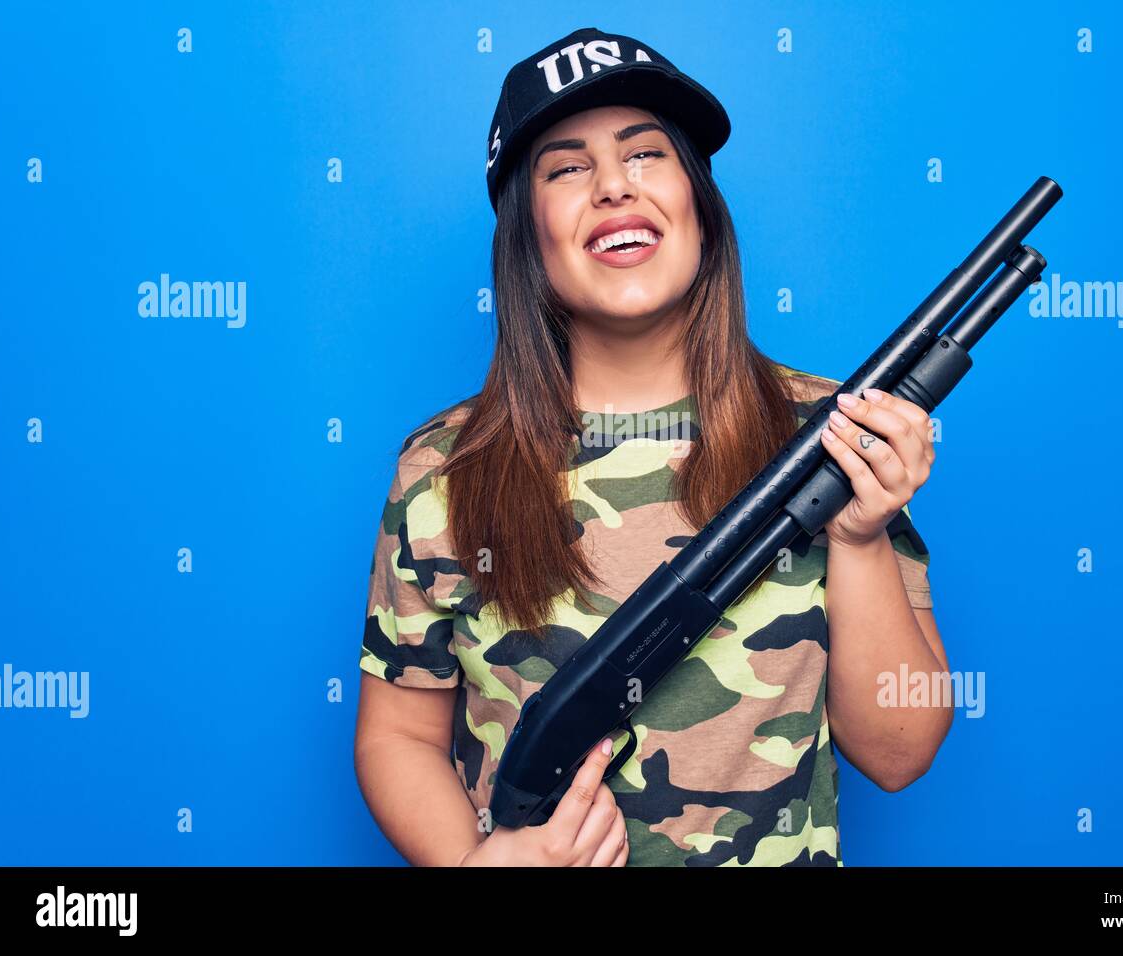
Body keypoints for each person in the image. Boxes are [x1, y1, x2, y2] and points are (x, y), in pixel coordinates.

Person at [354, 26, 952, 867]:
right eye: (567, 169)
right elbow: (398, 737)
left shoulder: (832, 433)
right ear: (526, 236)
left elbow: (899, 753)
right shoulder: (444, 471)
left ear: (698, 202)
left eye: (645, 154)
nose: (613, 186)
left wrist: (857, 537)